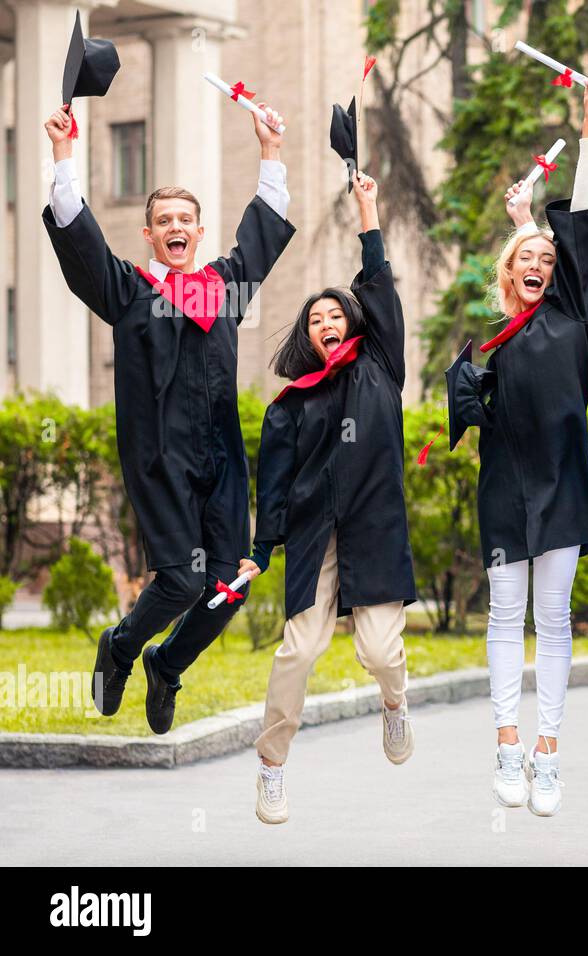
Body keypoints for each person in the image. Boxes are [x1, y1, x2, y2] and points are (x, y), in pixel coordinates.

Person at [43, 99, 295, 735]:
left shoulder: (223, 288)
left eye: (186, 218)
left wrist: (269, 152)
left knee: (228, 585)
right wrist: (64, 157)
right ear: (150, 235)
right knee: (182, 579)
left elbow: (261, 239)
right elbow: (81, 246)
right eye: (164, 221)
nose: (176, 227)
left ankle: (167, 662)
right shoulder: (130, 293)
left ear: (198, 233)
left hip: (220, 458)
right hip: (159, 458)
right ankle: (122, 647)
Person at [451, 78, 588, 816]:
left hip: (566, 487)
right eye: (527, 258)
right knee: (502, 618)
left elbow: (577, 217)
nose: (540, 264)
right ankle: (506, 744)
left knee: (554, 622)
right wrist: (520, 221)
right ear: (510, 270)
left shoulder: (574, 312)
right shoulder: (498, 337)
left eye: (549, 260)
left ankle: (549, 752)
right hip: (505, 489)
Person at [249, 171, 415, 825]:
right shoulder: (291, 403)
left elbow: (379, 284)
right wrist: (263, 548)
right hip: (316, 534)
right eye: (314, 318)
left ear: (352, 322)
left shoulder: (380, 365)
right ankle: (271, 765)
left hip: (375, 526)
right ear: (305, 335)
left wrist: (368, 210)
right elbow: (275, 478)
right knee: (299, 650)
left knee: (379, 652)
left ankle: (395, 706)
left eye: (335, 313)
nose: (326, 322)